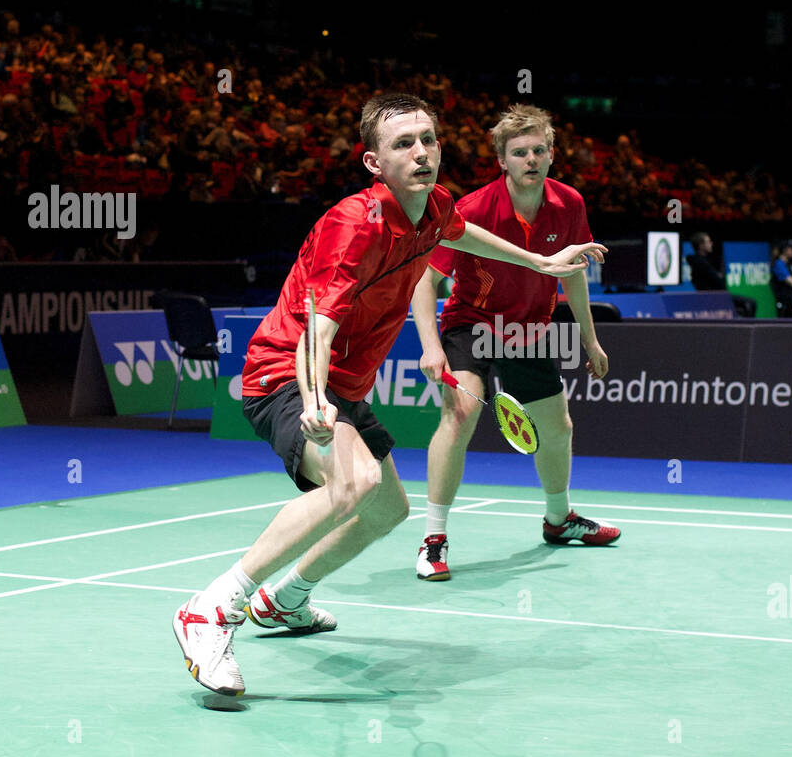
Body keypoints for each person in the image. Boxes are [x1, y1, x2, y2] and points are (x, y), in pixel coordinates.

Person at [172, 94, 605, 696]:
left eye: (428, 139)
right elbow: (315, 327)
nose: (421, 152)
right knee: (355, 484)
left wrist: (540, 261)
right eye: (404, 144)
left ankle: (285, 600)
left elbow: (465, 234)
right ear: (374, 162)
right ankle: (213, 608)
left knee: (387, 510)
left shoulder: (435, 209)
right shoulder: (356, 224)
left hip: (343, 388)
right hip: (285, 373)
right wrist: (317, 397)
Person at [411, 105, 620, 581]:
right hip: (472, 323)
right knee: (459, 413)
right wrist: (430, 344)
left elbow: (573, 276)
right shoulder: (472, 209)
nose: (531, 159)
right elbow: (424, 280)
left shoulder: (569, 204)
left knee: (558, 426)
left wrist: (590, 340)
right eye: (519, 152)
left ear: (551, 155)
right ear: (502, 160)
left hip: (530, 328)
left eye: (538, 150)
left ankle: (559, 519)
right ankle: (433, 539)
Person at [687, 230, 756, 317]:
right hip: (713, 297)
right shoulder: (699, 262)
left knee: (751, 303)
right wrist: (718, 276)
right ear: (701, 245)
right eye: (708, 242)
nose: (711, 244)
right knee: (749, 303)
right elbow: (717, 279)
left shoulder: (706, 261)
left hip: (720, 295)